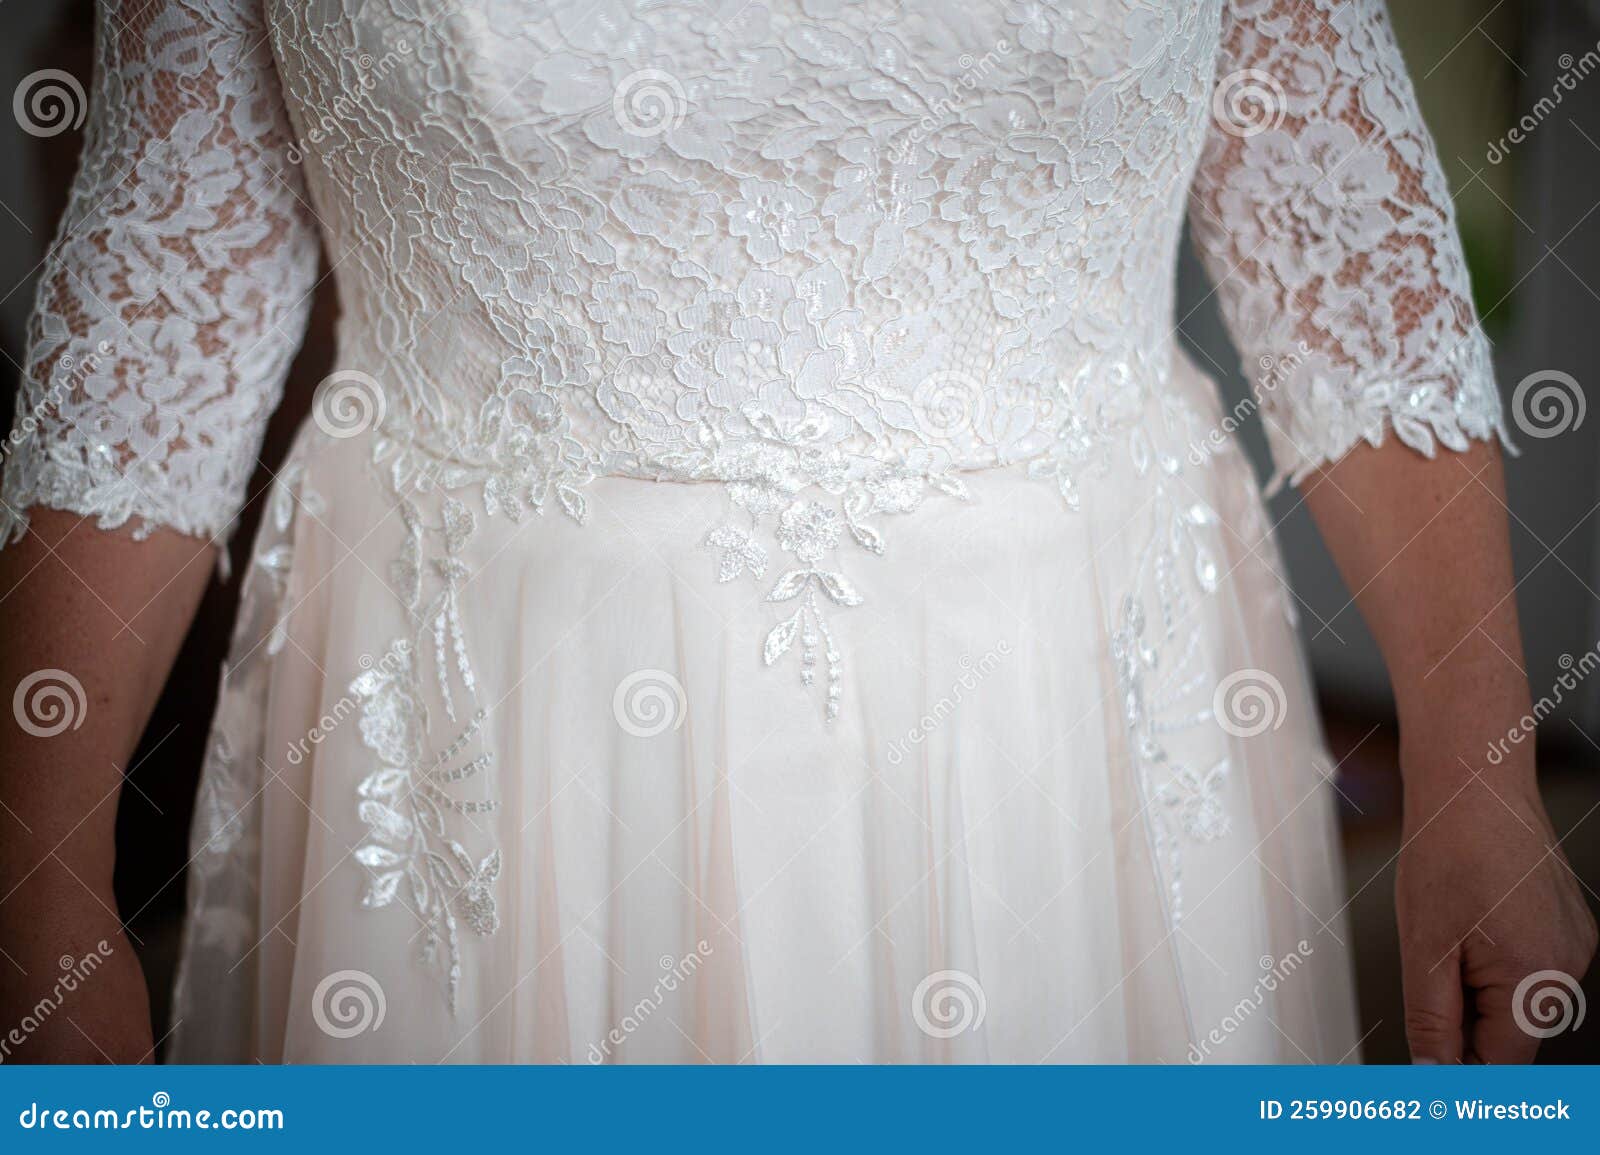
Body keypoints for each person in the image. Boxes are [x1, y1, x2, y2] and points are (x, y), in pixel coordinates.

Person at [0, 0, 1592, 1063]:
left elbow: (1348, 276)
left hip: (1069, 724)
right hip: (485, 736)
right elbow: (157, 317)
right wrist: (37, 873)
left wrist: (1478, 768)